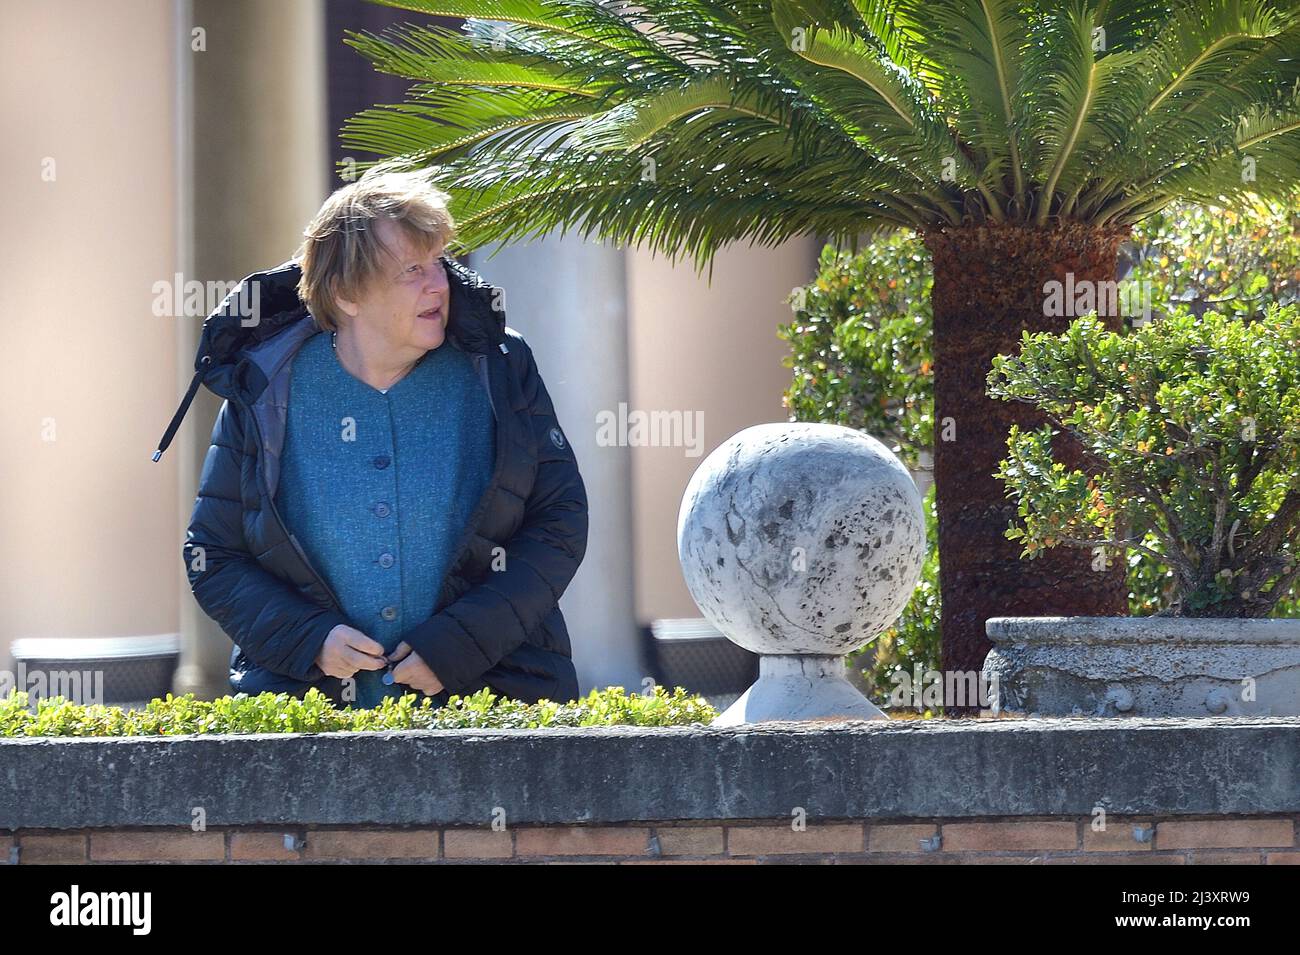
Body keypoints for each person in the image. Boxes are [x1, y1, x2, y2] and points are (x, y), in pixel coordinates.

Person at [153, 162, 587, 709]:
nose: (439, 284)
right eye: (411, 270)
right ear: (347, 293)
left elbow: (560, 522)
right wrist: (308, 639)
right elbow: (213, 555)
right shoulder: (264, 384)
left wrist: (460, 644)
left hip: (494, 704)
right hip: (316, 725)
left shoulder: (500, 366)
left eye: (439, 262)